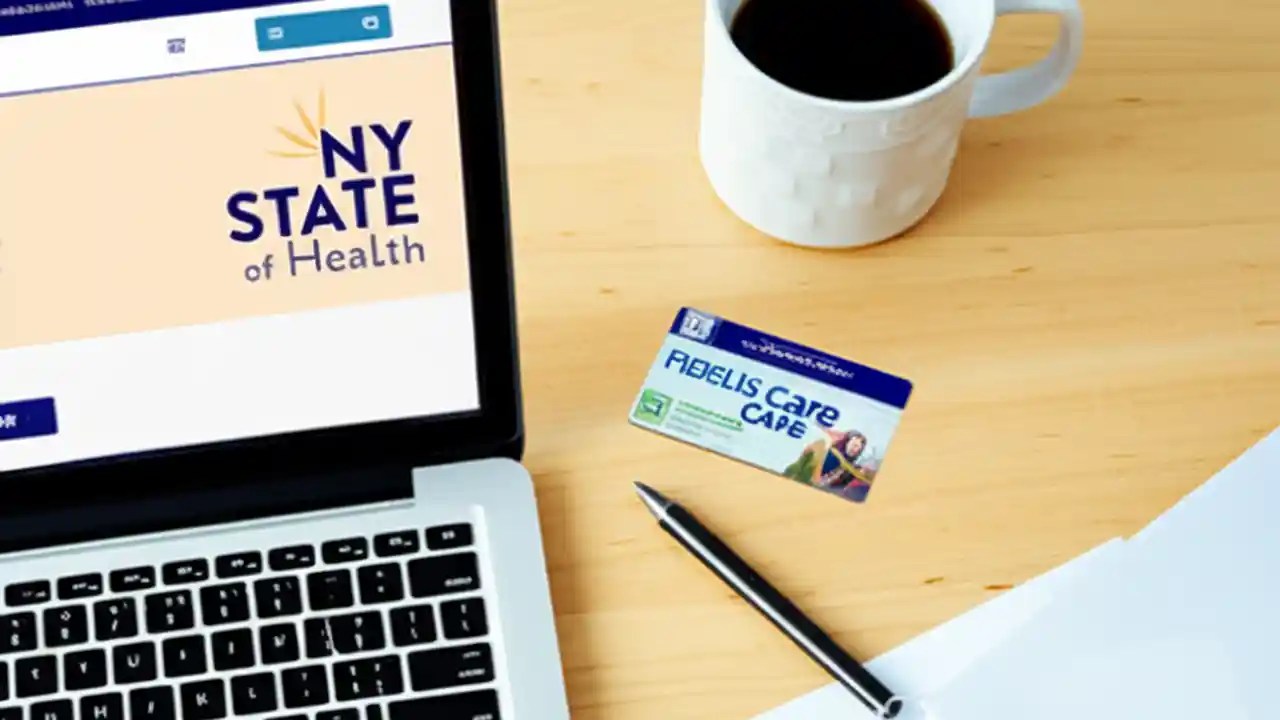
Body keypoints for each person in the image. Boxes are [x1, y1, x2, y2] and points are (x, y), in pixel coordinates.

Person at [786, 429, 876, 502]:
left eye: (859, 448)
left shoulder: (851, 469)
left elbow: (839, 487)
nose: (855, 449)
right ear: (846, 443)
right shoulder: (830, 454)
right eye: (854, 445)